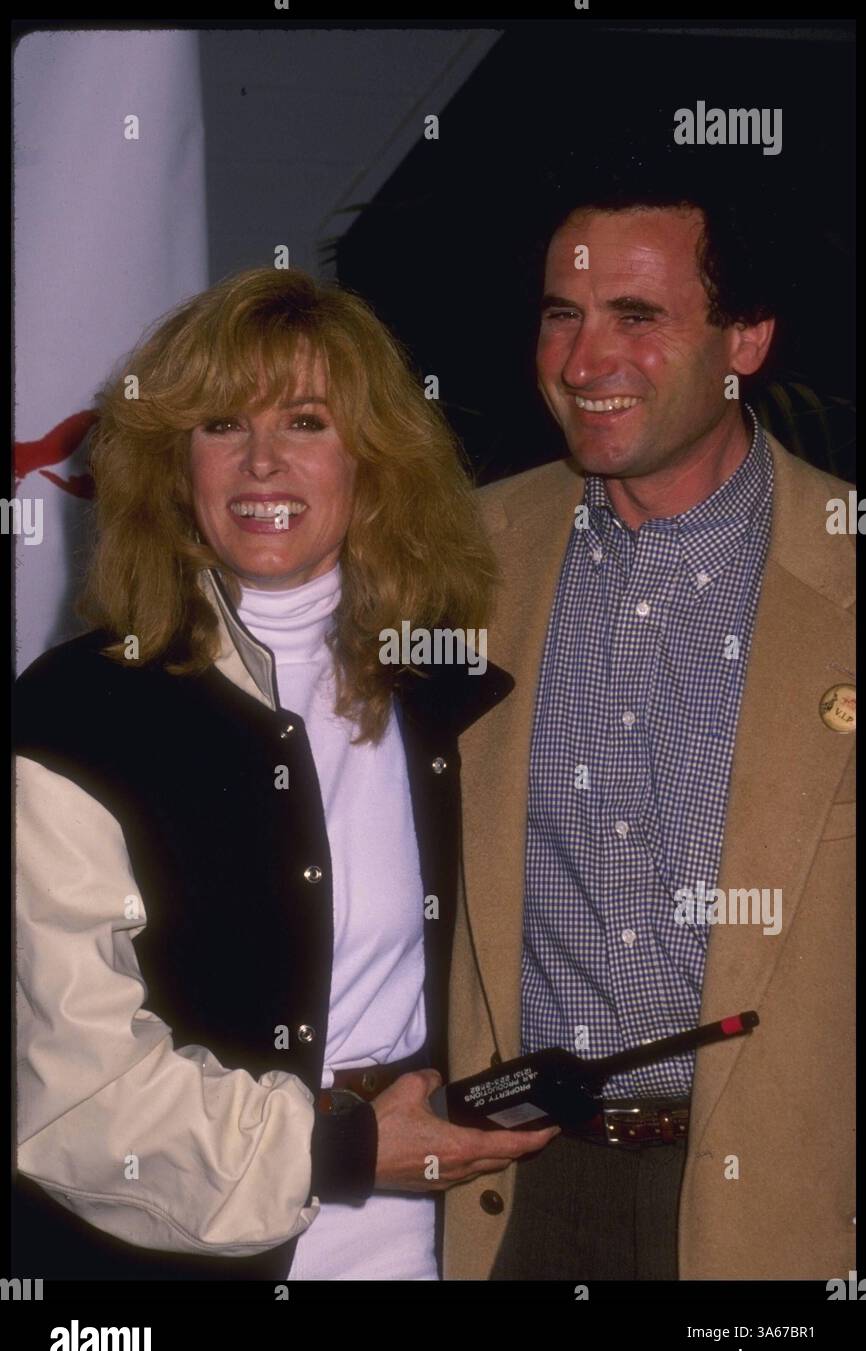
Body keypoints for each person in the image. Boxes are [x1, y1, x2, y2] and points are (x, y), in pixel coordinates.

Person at [13, 266, 557, 1282]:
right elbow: (67, 1089)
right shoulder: (75, 711)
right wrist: (337, 1148)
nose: (261, 462)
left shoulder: (459, 690)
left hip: (439, 1243)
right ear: (176, 465)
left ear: (371, 461)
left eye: (306, 420)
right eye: (222, 423)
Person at [444, 186, 855, 1281]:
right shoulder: (460, 563)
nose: (583, 363)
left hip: (785, 1205)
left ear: (746, 338)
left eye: (635, 316)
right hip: (512, 1194)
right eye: (559, 315)